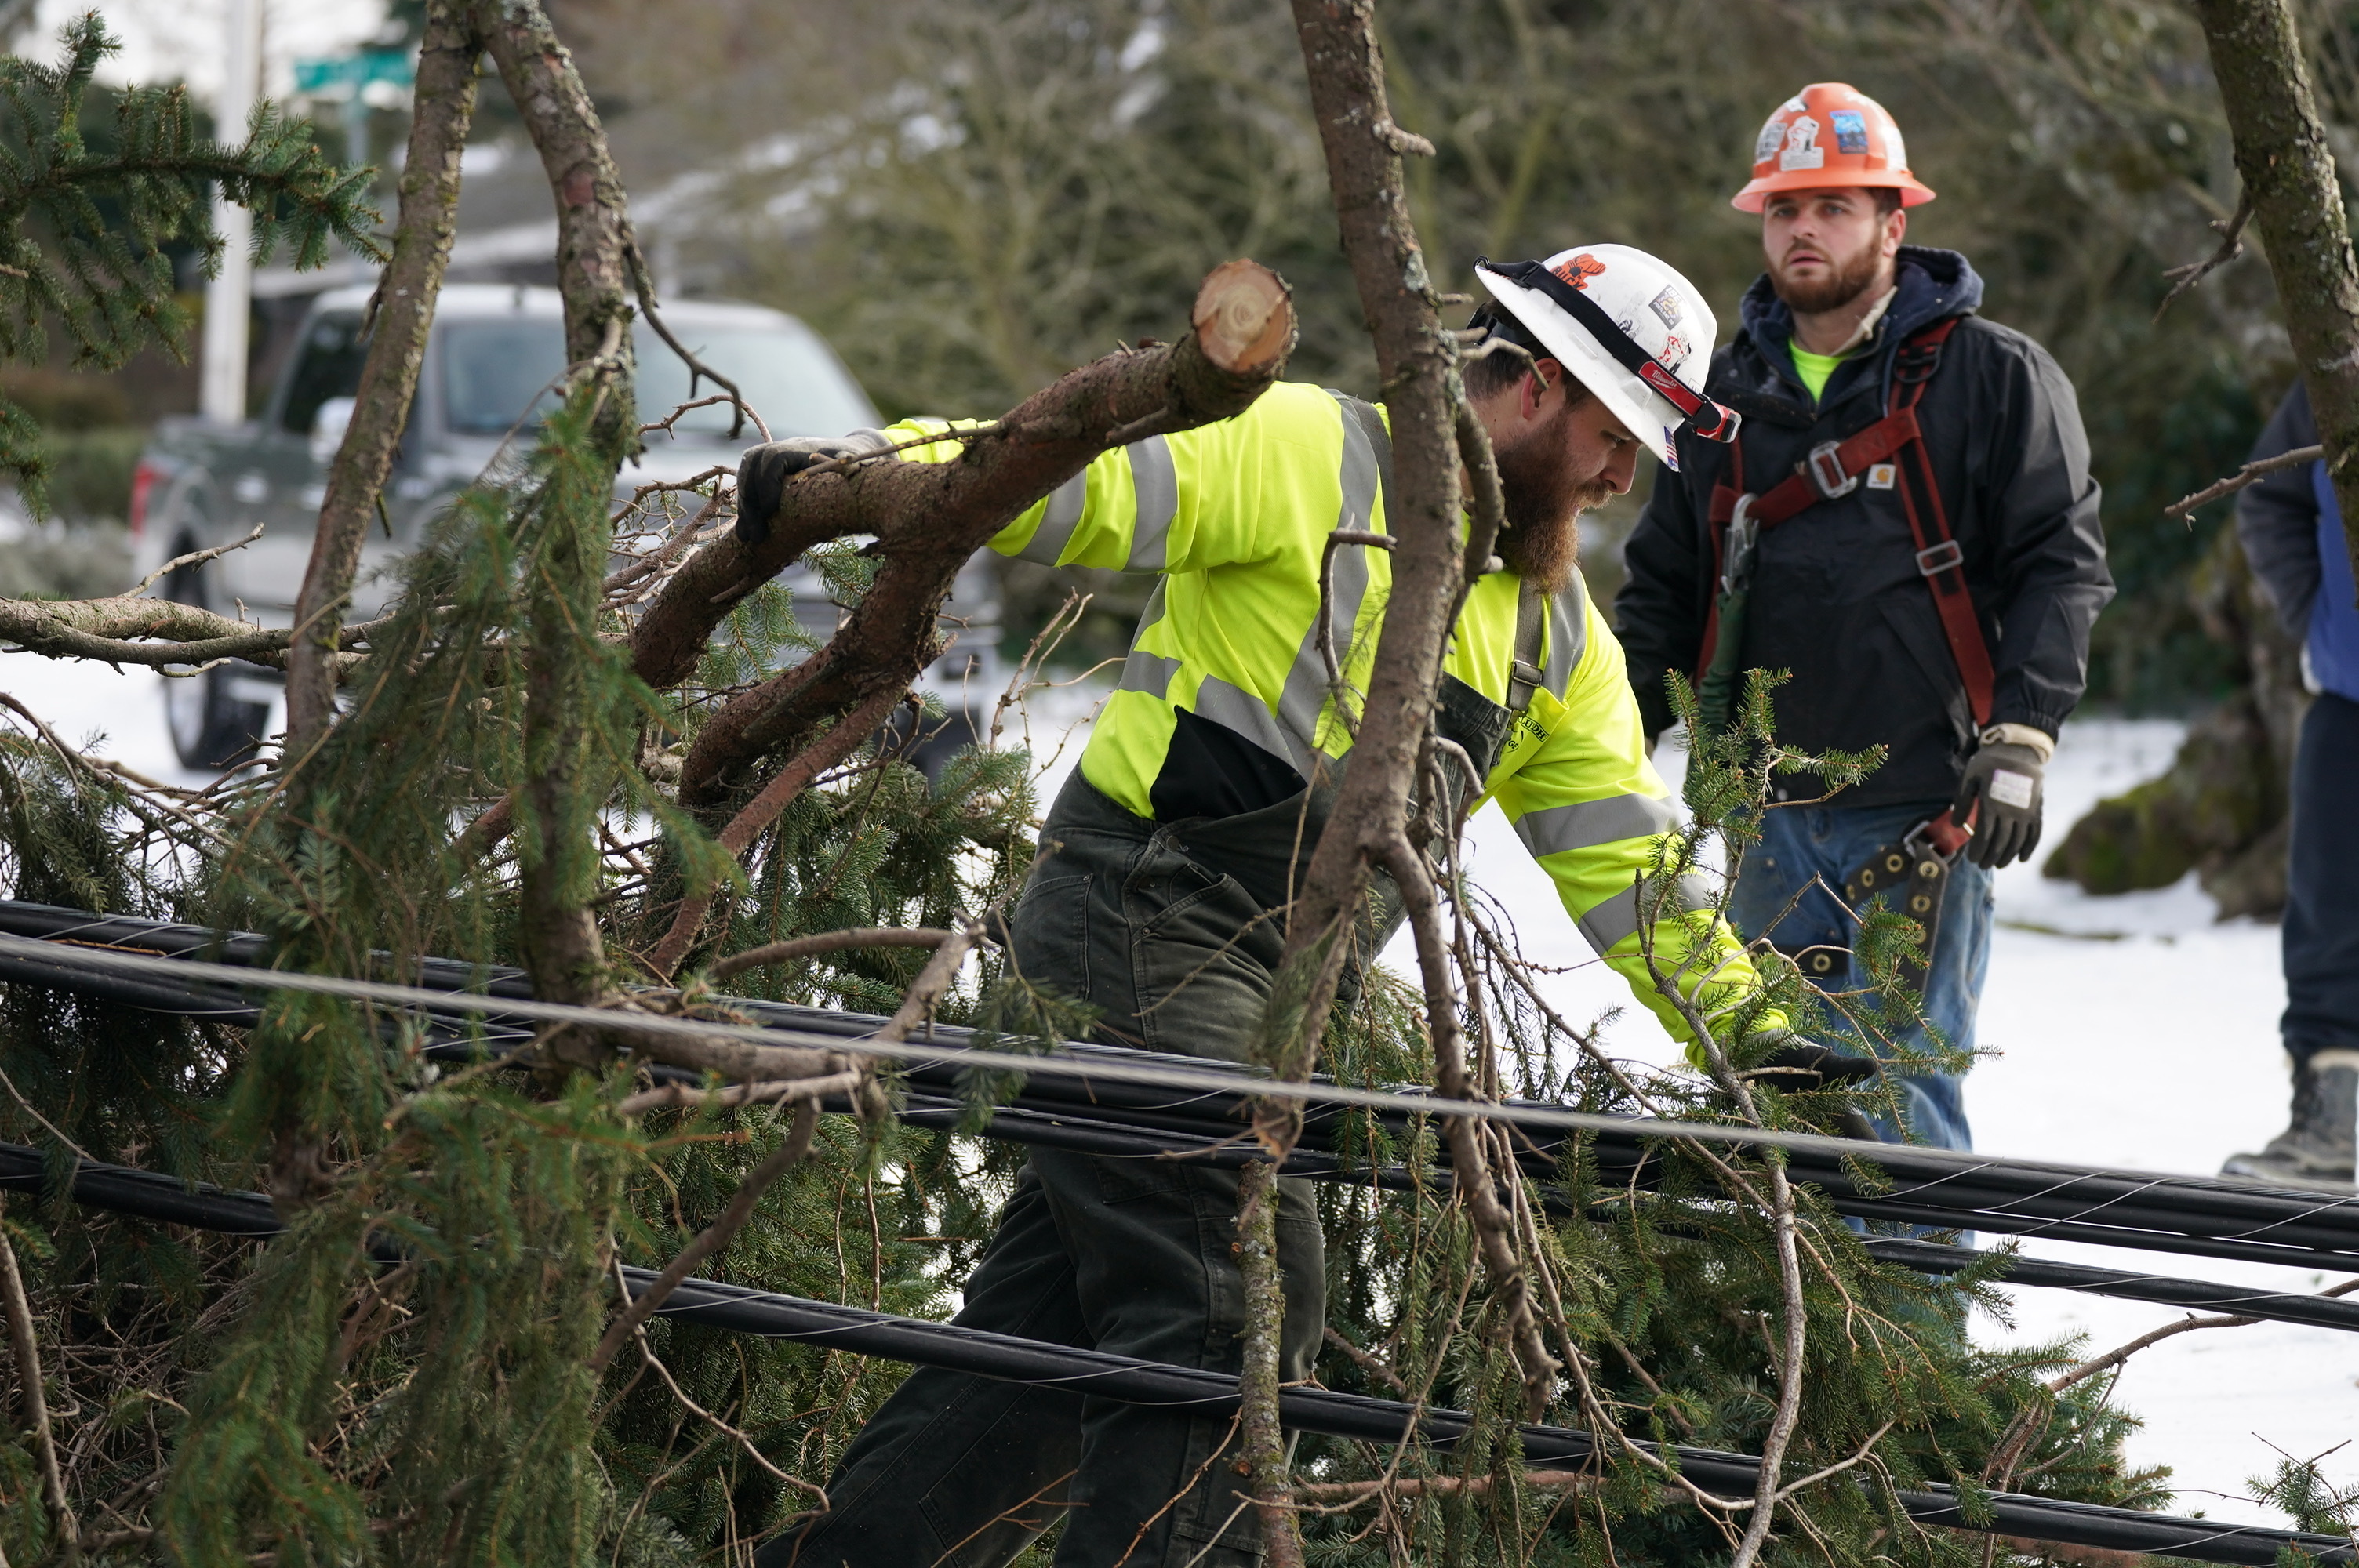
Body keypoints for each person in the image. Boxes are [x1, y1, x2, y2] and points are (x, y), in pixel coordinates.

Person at [735, 241, 1863, 1568]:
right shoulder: (1307, 451)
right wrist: (857, 475)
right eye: (1618, 441)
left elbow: (1628, 866)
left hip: (1258, 1005)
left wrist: (1748, 1026)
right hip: (1129, 924)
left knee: (1047, 1351)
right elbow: (1058, 478)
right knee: (1240, 1298)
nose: (1623, 483)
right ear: (1544, 390)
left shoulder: (1552, 636)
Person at [1616, 83, 2114, 1152]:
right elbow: (1663, 585)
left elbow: (2061, 567)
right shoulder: (1715, 395)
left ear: (1895, 224)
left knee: (1904, 1107)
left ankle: (1919, 1326)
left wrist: (2022, 734)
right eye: (1785, 209)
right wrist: (1603, 725)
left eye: (1834, 208)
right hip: (1761, 821)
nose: (1804, 230)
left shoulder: (1992, 378)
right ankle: (1785, 1326)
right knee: (1769, 1108)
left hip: (1922, 815)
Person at [2219, 379, 2359, 1192]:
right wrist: (2322, 622)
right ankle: (2329, 1125)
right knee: (2326, 924)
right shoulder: (2338, 367)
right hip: (2349, 700)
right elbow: (2266, 499)